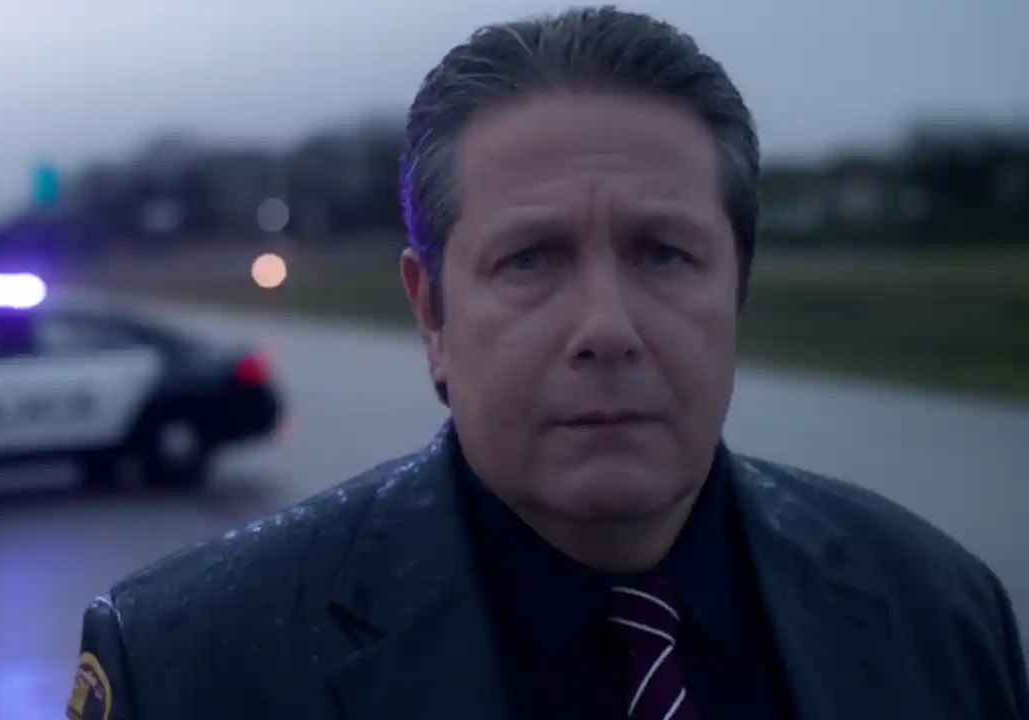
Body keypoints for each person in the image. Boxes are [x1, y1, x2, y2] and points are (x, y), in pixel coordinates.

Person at [65, 7, 1028, 719]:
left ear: (735, 288)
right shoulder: (189, 668)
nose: (607, 328)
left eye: (664, 252)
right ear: (433, 312)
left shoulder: (939, 609)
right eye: (531, 260)